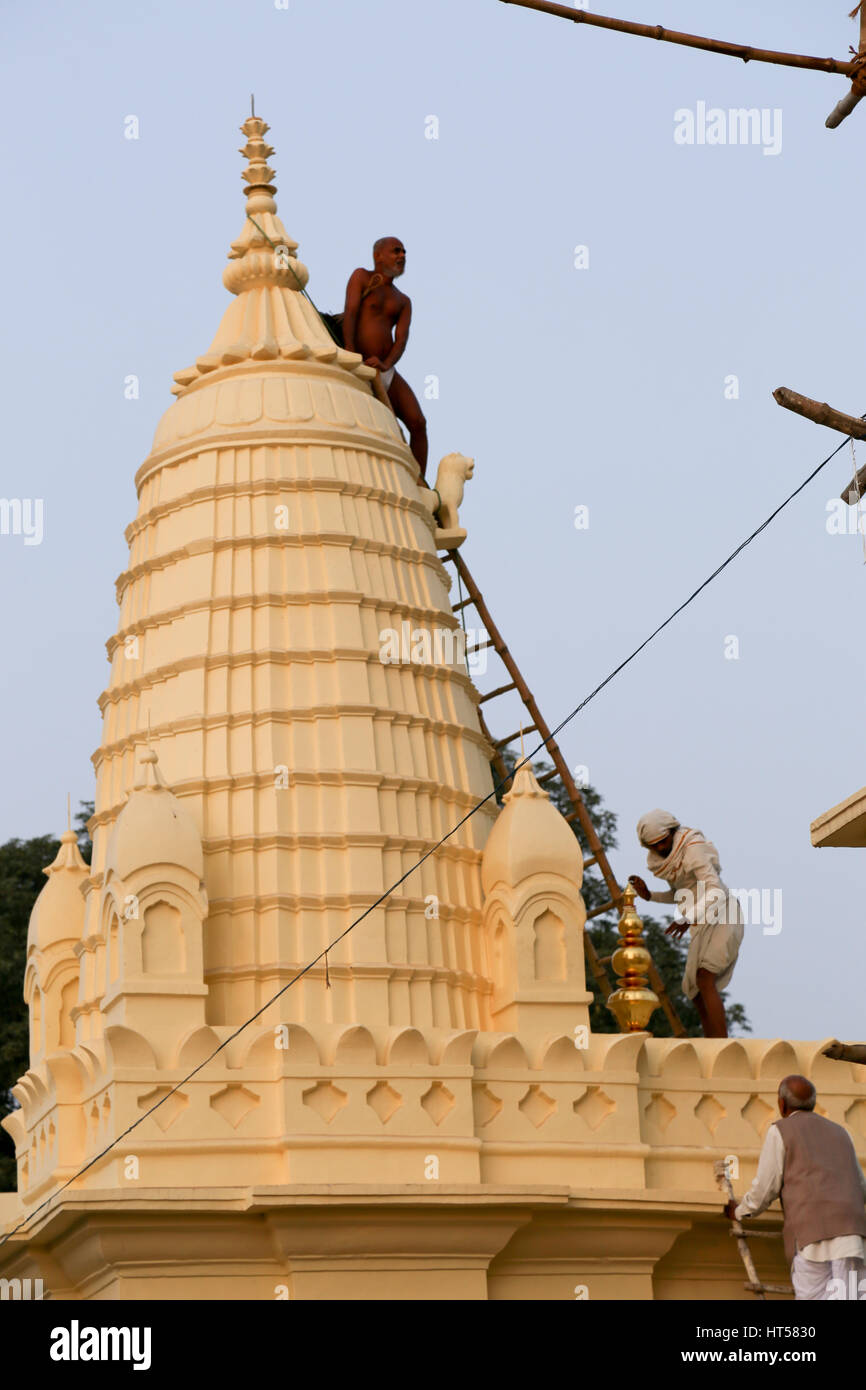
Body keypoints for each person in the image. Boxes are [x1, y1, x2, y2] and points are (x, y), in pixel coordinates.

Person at [724, 1075, 866, 1301]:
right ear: (813, 1103)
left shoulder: (780, 1131)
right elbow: (861, 1186)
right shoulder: (841, 1133)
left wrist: (740, 1210)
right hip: (851, 1238)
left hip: (810, 1237)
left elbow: (765, 1187)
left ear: (781, 1104)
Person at [629, 809, 743, 1038]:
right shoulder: (663, 861)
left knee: (704, 977)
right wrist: (650, 895)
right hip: (700, 920)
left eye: (663, 842)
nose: (661, 848)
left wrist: (687, 918)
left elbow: (715, 890)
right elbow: (681, 893)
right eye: (655, 845)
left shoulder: (692, 849)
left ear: (671, 832)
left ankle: (721, 1046)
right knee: (694, 990)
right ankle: (711, 1045)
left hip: (723, 914)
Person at [342, 237, 428, 478]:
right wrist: (350, 352)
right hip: (358, 365)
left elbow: (401, 340)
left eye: (403, 252)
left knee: (418, 423)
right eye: (395, 251)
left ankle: (419, 482)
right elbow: (350, 312)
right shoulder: (361, 277)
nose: (401, 256)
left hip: (385, 369)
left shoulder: (403, 301)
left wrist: (386, 364)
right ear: (378, 255)